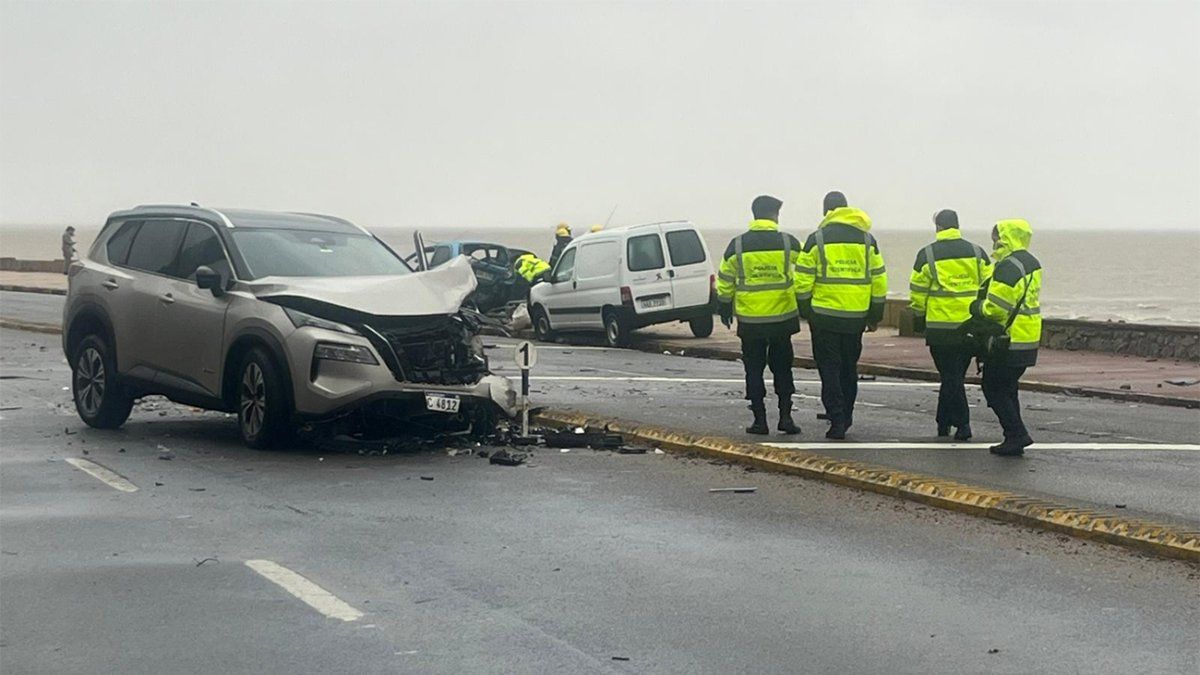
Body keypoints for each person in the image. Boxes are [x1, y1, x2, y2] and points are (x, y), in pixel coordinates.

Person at [795, 192, 888, 439]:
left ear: (827, 211)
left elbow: (802, 280)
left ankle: (836, 418)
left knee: (830, 369)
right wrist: (875, 315)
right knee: (849, 368)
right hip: (855, 317)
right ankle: (846, 415)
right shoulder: (868, 241)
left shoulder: (817, 239)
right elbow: (879, 280)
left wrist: (806, 311)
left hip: (824, 317)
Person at [716, 195, 802, 435]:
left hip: (751, 321)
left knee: (753, 370)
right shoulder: (788, 242)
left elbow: (725, 280)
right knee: (783, 368)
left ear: (754, 214)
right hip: (782, 319)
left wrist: (724, 307)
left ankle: (759, 420)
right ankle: (786, 417)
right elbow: (807, 270)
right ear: (775, 215)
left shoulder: (738, 245)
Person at [908, 209, 993, 440]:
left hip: (940, 329)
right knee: (953, 375)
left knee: (950, 376)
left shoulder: (927, 254)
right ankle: (943, 421)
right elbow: (989, 286)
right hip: (970, 328)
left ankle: (962, 424)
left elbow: (917, 292)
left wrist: (919, 315)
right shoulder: (978, 252)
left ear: (938, 227)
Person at [970, 219, 1042, 456]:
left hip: (1008, 338)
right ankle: (1013, 436)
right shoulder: (1031, 262)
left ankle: (1017, 434)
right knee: (1009, 388)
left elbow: (996, 308)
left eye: (996, 237)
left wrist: (977, 307)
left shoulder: (1008, 266)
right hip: (1028, 335)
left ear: (1005, 238)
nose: (994, 242)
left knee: (993, 388)